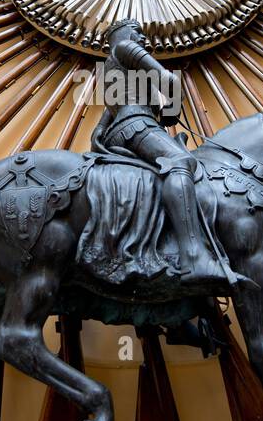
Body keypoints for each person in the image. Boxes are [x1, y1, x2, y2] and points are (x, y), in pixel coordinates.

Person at [90, 19, 234, 284]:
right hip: (137, 125)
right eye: (138, 32)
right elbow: (168, 80)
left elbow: (107, 115)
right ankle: (194, 256)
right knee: (181, 162)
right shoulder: (124, 47)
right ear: (122, 33)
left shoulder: (110, 65)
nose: (143, 39)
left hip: (119, 133)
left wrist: (101, 132)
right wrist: (170, 110)